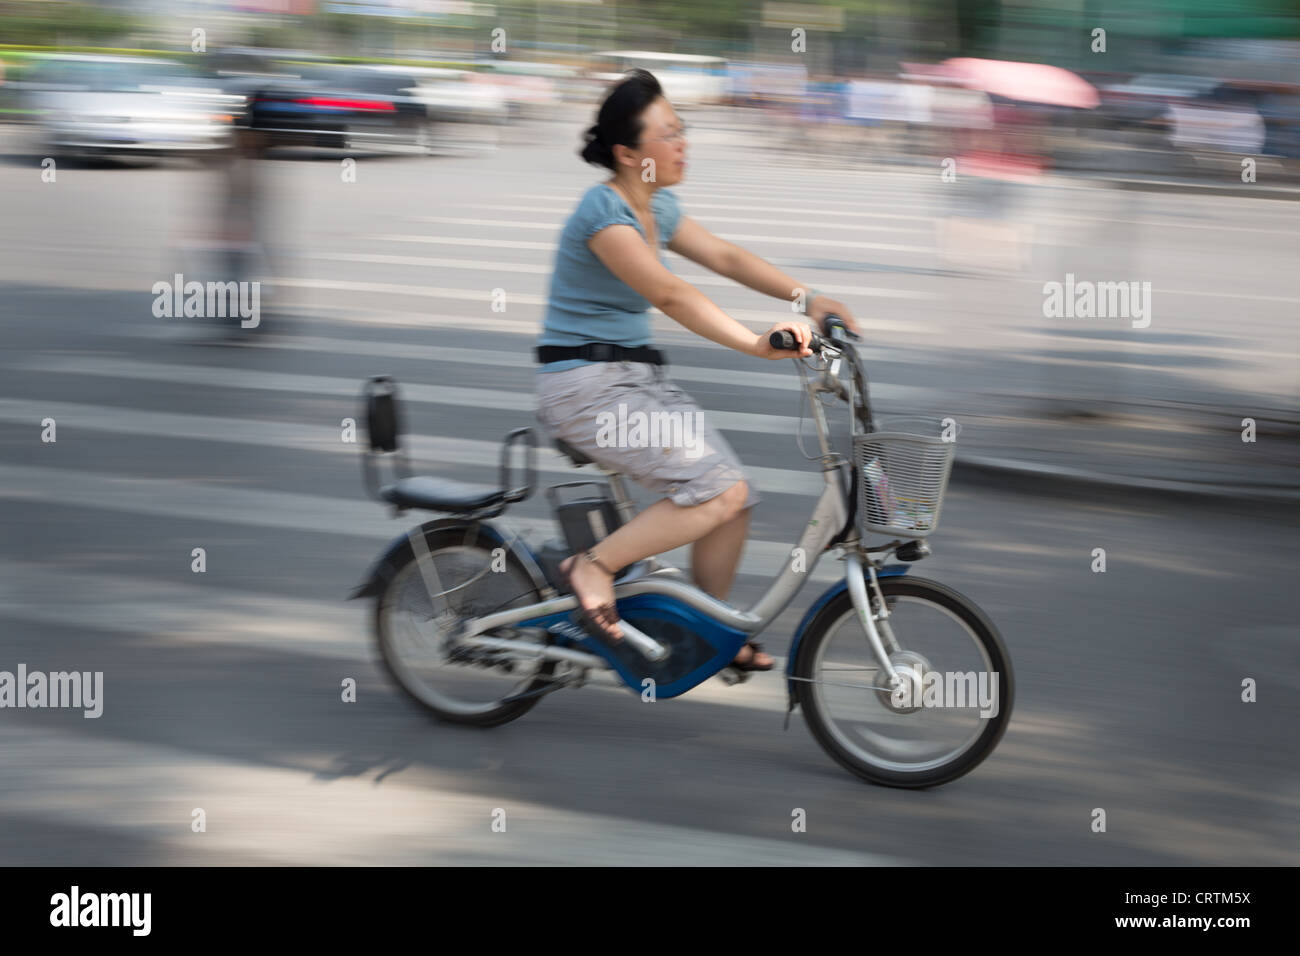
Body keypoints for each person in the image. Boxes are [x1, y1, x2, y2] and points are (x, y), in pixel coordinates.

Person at [534, 69, 859, 670]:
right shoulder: (604, 214)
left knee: (735, 497)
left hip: (634, 383)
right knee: (718, 490)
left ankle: (706, 634)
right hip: (584, 390)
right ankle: (593, 565)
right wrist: (755, 344)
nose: (683, 143)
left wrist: (806, 297)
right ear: (630, 154)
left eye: (683, 129)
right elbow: (670, 294)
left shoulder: (658, 203)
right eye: (668, 134)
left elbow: (726, 257)